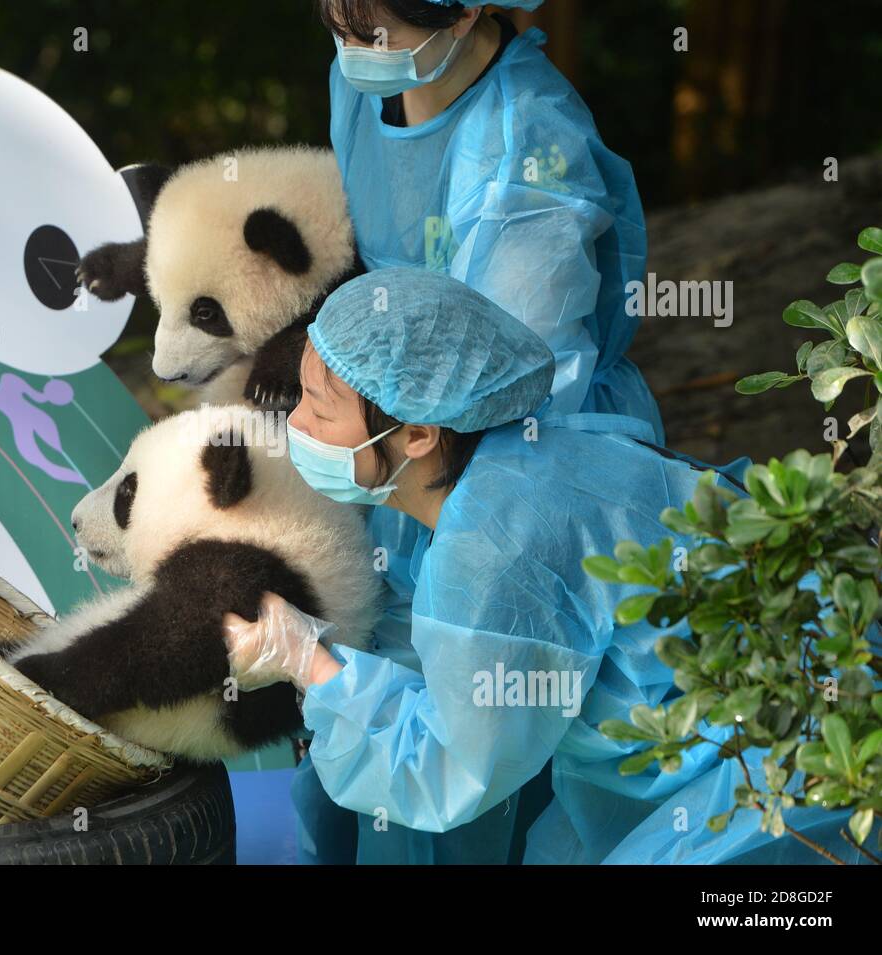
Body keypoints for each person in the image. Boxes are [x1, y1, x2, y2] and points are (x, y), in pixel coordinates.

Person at [223, 268, 863, 864]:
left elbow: (446, 769)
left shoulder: (491, 549)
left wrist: (306, 661)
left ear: (417, 434)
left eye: (317, 408)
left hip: (787, 777)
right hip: (797, 695)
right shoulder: (532, 450)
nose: (296, 424)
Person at [323, 0, 661, 437]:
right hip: (391, 415)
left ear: (463, 13)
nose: (351, 54)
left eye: (372, 39)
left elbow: (523, 379)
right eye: (338, 30)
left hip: (493, 440)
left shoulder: (527, 150)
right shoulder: (361, 83)